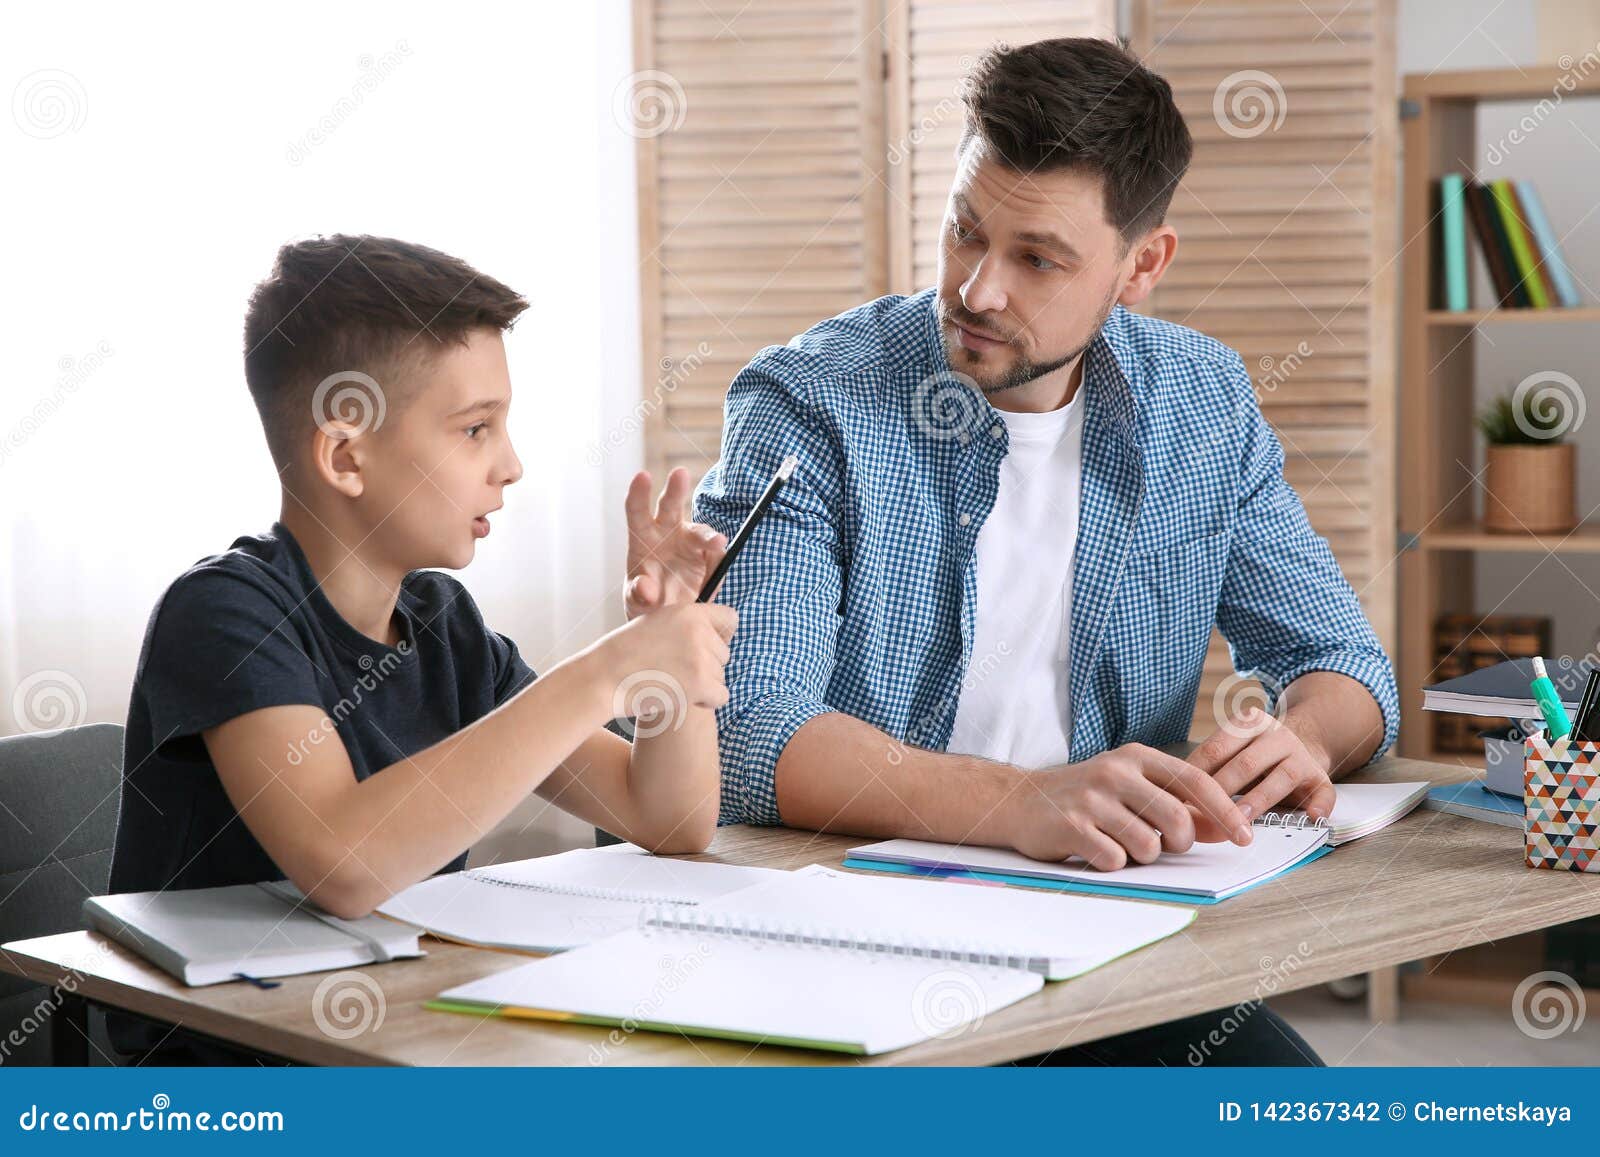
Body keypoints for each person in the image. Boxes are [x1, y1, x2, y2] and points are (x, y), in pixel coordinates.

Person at [694, 37, 1398, 1067]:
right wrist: (1023, 802)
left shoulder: (1201, 403)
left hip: (1101, 928)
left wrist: (1302, 738)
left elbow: (1345, 664)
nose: (978, 290)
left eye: (1036, 259)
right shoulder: (809, 402)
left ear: (1141, 266)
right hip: (843, 929)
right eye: (964, 231)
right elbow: (748, 727)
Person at [109, 234, 734, 1061]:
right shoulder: (223, 613)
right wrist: (603, 671)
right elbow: (344, 863)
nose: (511, 465)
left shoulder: (444, 625)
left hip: (394, 1036)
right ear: (345, 456)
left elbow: (668, 818)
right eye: (476, 429)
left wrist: (666, 654)